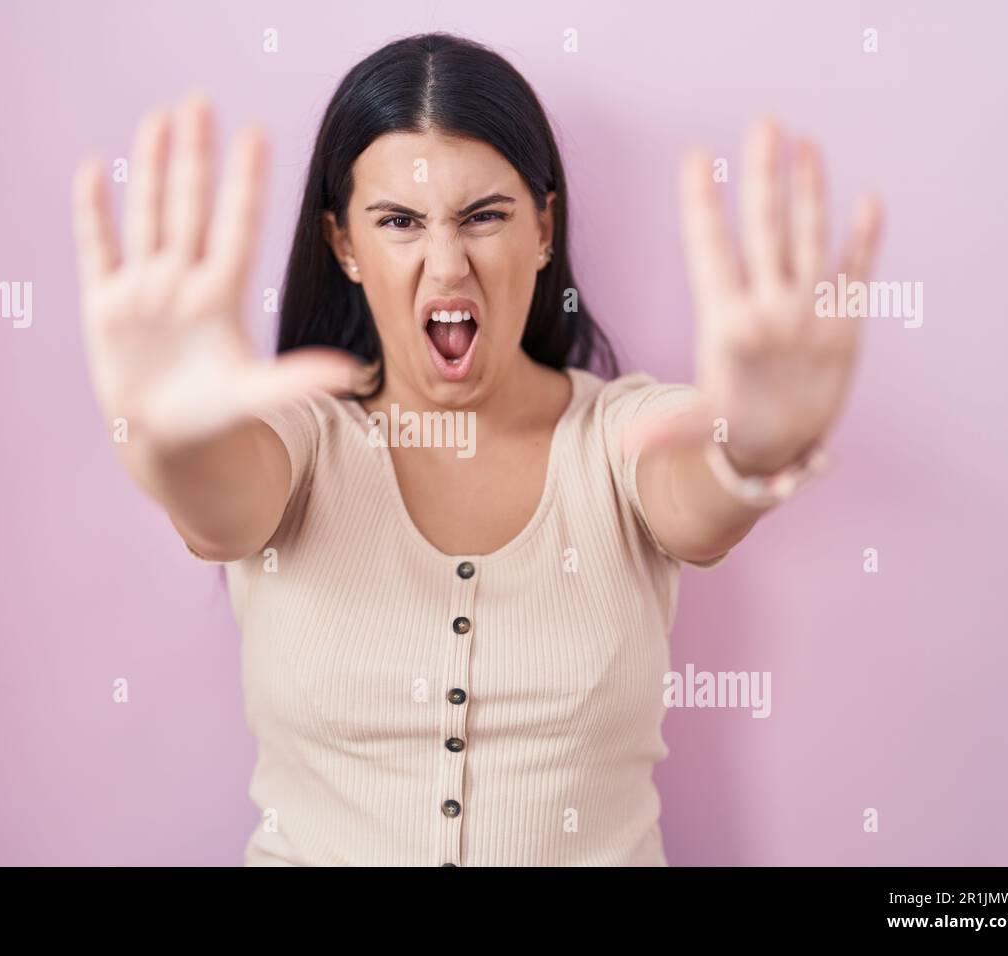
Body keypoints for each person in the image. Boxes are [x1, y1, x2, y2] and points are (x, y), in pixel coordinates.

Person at [70, 32, 882, 866]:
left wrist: (754, 450)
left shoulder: (620, 435)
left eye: (484, 216)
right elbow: (220, 511)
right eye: (399, 222)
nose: (447, 263)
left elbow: (699, 498)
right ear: (344, 244)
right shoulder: (303, 439)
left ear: (543, 229)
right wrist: (168, 443)